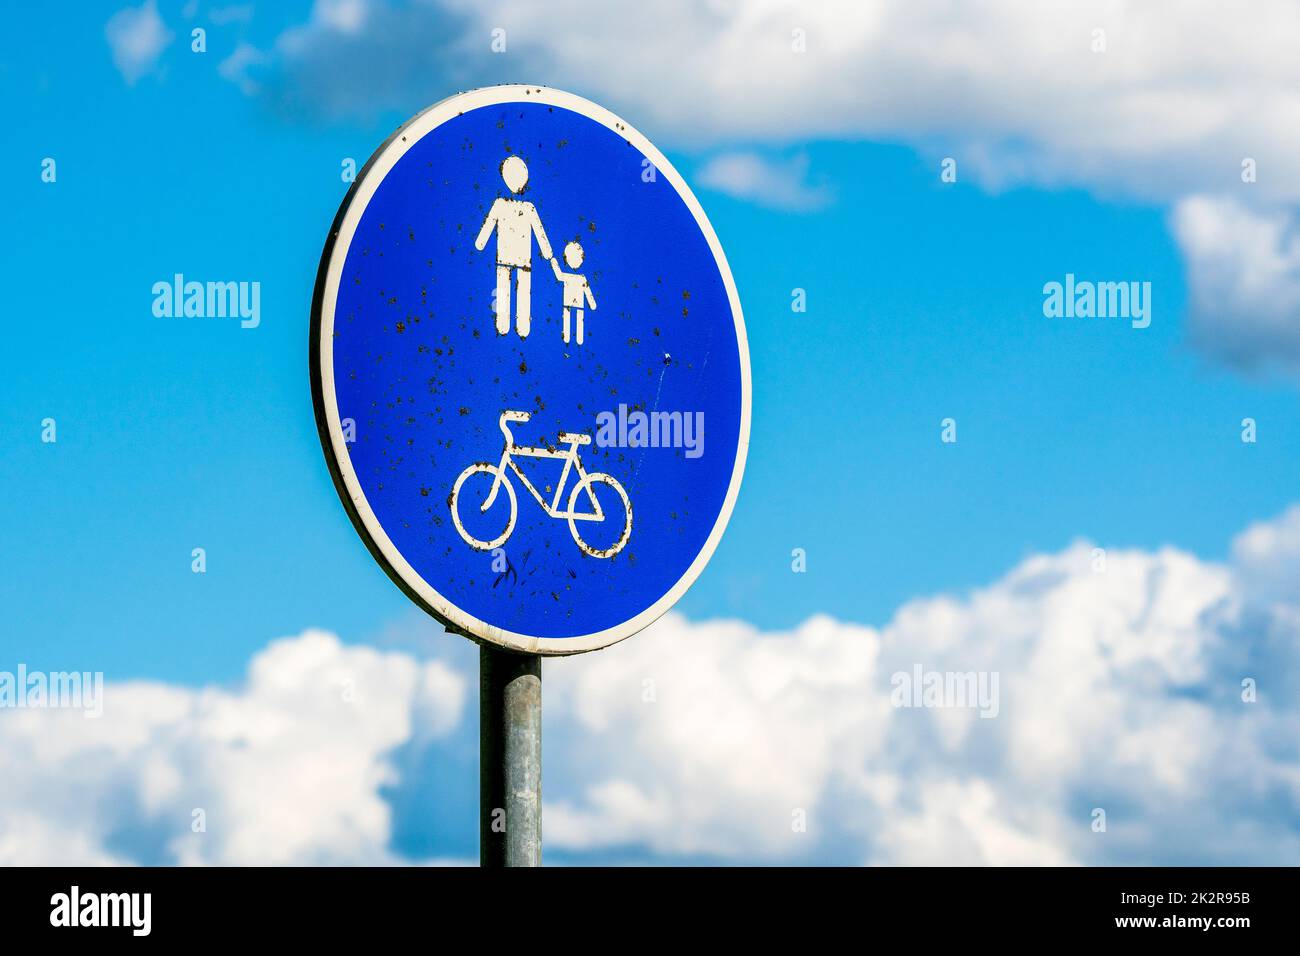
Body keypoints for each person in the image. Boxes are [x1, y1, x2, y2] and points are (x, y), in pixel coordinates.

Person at [474, 156, 553, 338]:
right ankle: (515, 327)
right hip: (520, 260)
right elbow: (541, 235)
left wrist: (480, 243)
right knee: (518, 292)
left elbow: (486, 230)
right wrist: (548, 254)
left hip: (510, 259)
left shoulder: (506, 205)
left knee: (508, 291)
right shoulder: (523, 207)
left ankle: (508, 326)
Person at [550, 241, 597, 345]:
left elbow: (559, 275)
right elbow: (559, 276)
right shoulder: (580, 278)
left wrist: (554, 262)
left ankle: (573, 339)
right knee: (572, 319)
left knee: (574, 320)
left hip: (572, 304)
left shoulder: (580, 278)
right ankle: (570, 339)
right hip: (571, 304)